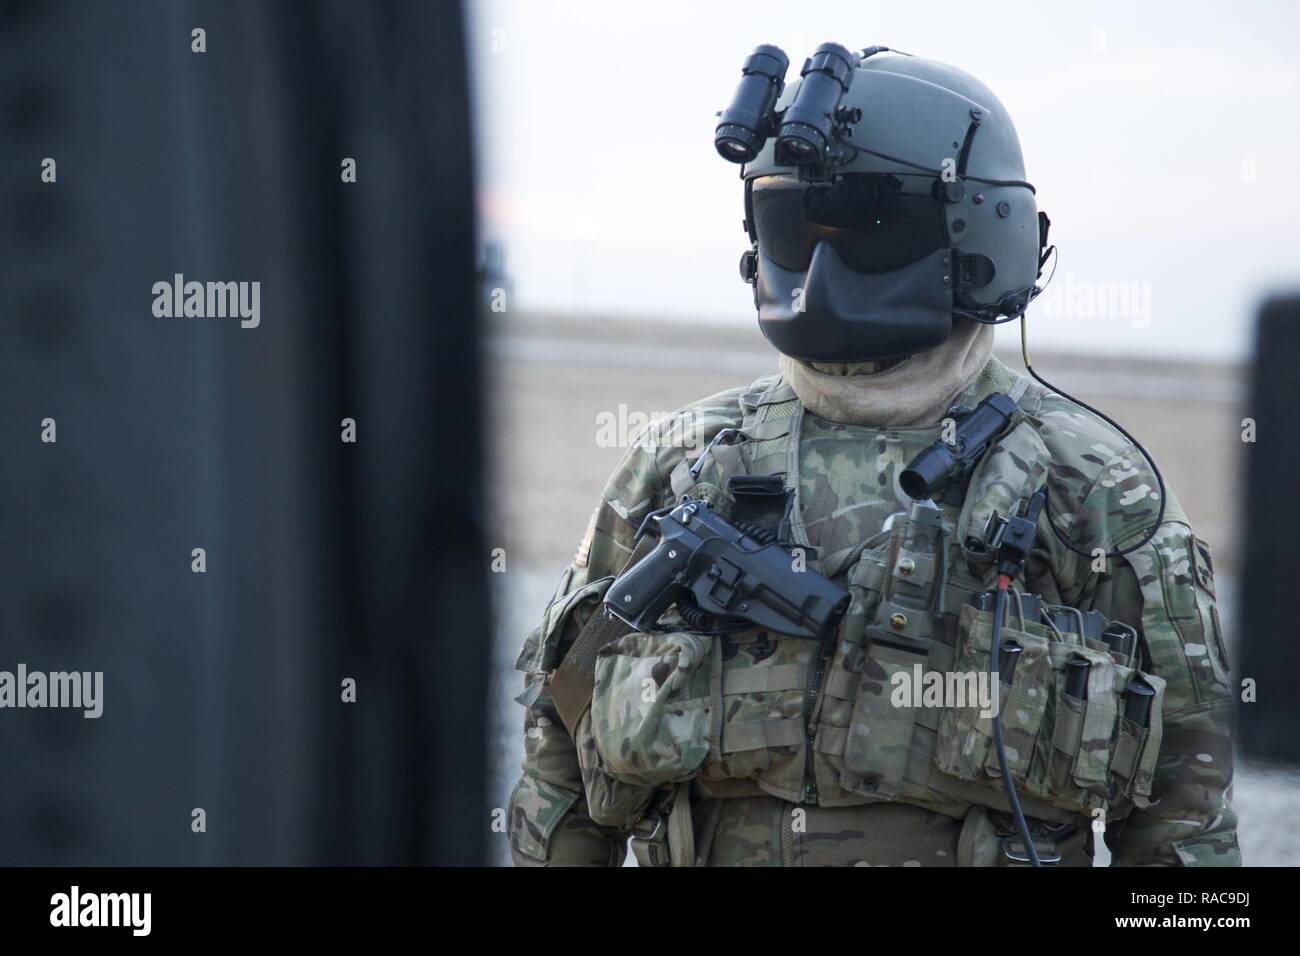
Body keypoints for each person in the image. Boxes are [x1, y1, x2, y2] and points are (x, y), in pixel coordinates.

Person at [506, 46, 1239, 866]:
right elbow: (561, 749)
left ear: (977, 233)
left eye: (870, 226)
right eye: (795, 225)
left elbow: (1186, 808)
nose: (824, 267)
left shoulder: (1088, 486)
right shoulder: (684, 464)